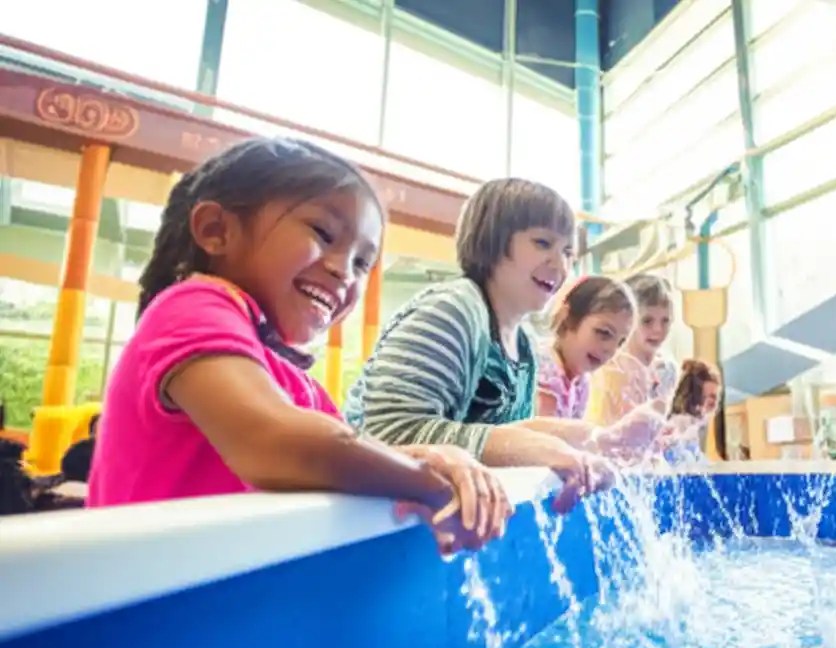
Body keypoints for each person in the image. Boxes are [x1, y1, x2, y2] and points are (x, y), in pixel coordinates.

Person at [88, 138, 509, 553]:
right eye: (324, 233)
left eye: (363, 263)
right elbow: (274, 441)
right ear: (217, 231)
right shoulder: (192, 306)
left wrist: (438, 456)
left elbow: (348, 451)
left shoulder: (287, 378)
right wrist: (429, 484)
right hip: (142, 606)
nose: (345, 272)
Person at [346, 179, 661, 504]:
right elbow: (384, 433)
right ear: (491, 241)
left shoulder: (522, 347)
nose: (560, 264)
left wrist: (592, 441)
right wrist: (544, 450)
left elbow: (506, 434)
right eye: (542, 243)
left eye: (568, 252)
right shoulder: (454, 309)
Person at [536, 276, 635, 420]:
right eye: (604, 333)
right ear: (567, 318)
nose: (611, 350)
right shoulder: (541, 373)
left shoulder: (581, 383)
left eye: (620, 342)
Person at [588, 274, 679, 425]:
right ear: (628, 322)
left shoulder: (667, 369)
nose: (658, 329)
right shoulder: (611, 370)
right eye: (647, 321)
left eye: (665, 321)